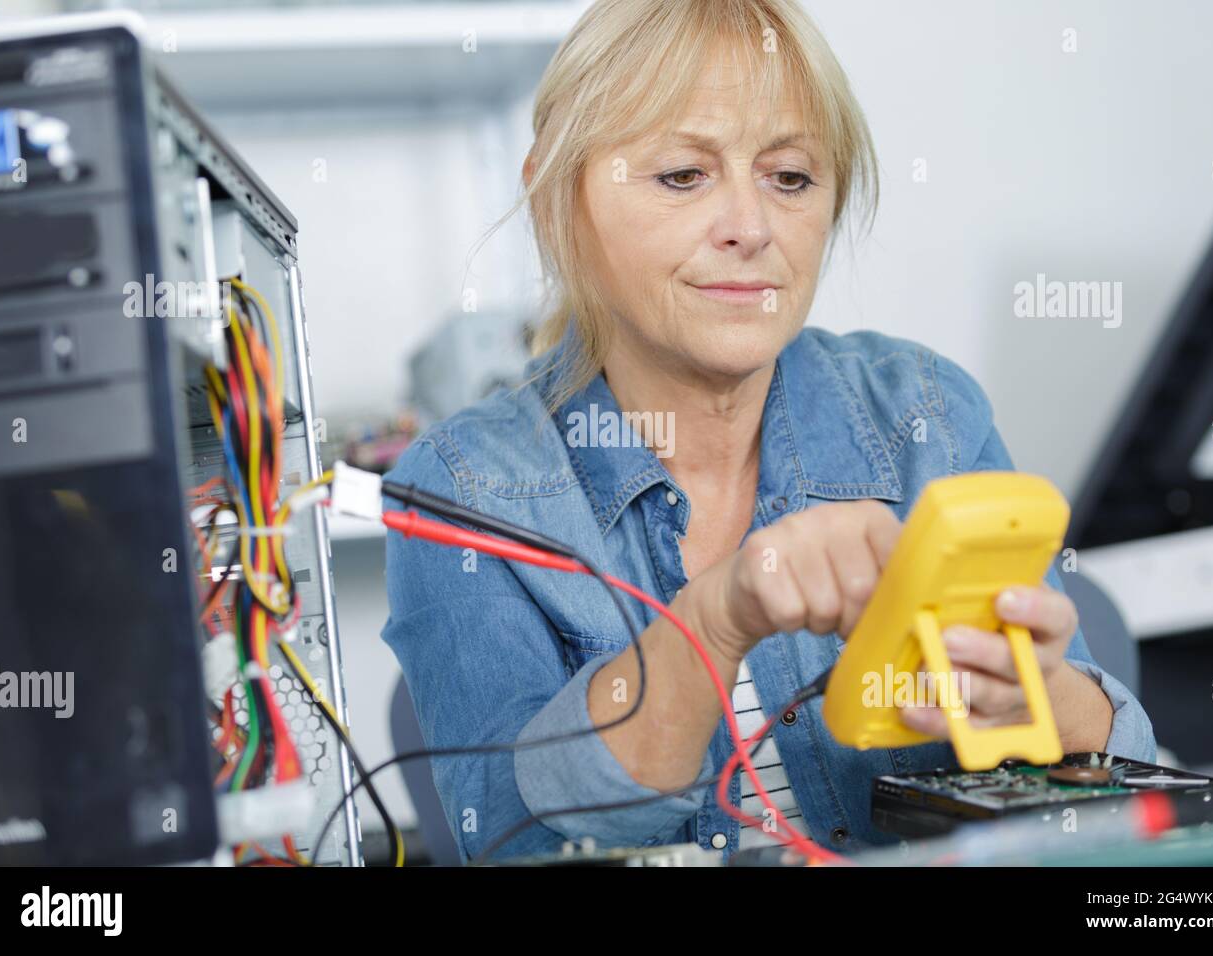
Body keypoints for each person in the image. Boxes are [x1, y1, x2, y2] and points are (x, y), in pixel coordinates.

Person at [382, 0, 1155, 863]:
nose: (751, 228)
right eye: (683, 175)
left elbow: (1128, 776)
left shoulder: (927, 415)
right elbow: (509, 839)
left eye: (790, 177)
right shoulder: (462, 489)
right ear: (555, 196)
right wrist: (715, 621)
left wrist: (1043, 700)